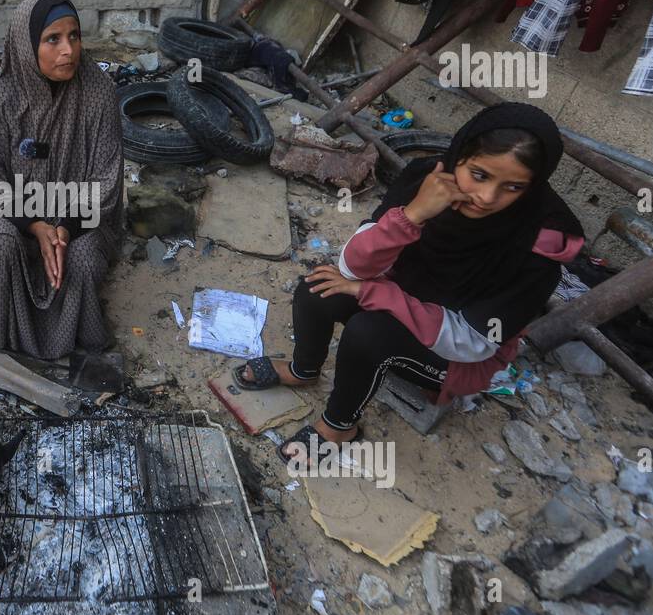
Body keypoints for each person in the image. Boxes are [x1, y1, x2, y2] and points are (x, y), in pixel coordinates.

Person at [235, 102, 584, 466]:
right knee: (318, 287)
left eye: (513, 187)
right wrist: (414, 214)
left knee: (369, 332)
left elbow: (475, 343)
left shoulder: (537, 250)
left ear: (532, 188)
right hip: (406, 300)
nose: (487, 197)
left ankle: (340, 427)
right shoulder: (424, 181)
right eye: (479, 175)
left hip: (459, 353)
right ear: (458, 158)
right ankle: (302, 370)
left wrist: (375, 294)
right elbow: (353, 266)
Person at [0, 0, 124, 360]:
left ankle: (75, 338)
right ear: (27, 44)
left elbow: (106, 184)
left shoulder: (99, 93)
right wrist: (35, 225)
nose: (68, 50)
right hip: (15, 214)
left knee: (84, 260)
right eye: (52, 39)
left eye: (74, 36)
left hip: (80, 216)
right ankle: (2, 332)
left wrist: (65, 228)